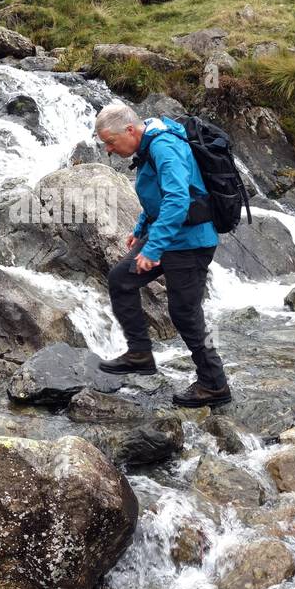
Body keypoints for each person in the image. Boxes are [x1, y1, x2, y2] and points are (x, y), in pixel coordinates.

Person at [93, 101, 231, 407]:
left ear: (129, 130)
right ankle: (140, 353)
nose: (109, 150)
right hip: (168, 235)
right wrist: (142, 228)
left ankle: (214, 384)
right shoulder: (149, 143)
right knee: (121, 280)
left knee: (185, 314)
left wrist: (153, 248)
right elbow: (158, 194)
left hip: (190, 242)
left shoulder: (164, 146)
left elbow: (178, 198)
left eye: (110, 143)